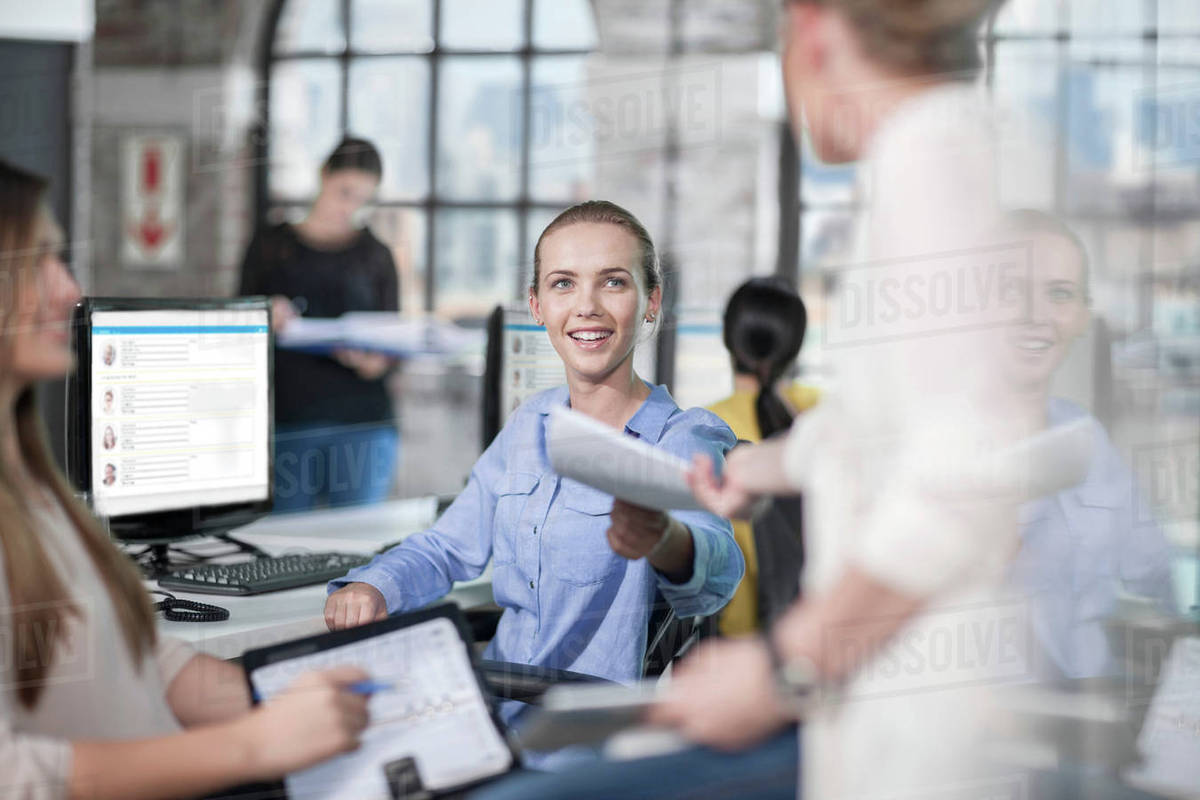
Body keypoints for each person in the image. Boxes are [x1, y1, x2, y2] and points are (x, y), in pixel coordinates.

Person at [470, 1, 1038, 798]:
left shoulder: (928, 165)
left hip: (913, 697)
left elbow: (957, 489)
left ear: (811, 27)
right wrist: (756, 472)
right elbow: (879, 427)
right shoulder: (947, 148)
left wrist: (780, 665)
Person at [0, 161, 375, 800]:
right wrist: (255, 744)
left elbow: (136, 661)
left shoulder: (38, 493)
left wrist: (277, 699)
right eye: (40, 262)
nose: (68, 289)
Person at [324, 200, 743, 730]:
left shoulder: (680, 439)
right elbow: (448, 545)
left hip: (576, 741)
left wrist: (664, 539)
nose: (586, 306)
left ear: (651, 302)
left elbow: (718, 568)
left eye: (613, 282)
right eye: (563, 283)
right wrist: (374, 585)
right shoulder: (531, 424)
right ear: (538, 304)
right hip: (491, 710)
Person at [996, 210, 1176, 680]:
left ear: (1081, 317)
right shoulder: (932, 444)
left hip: (1094, 726)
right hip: (987, 737)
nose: (1035, 316)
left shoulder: (1084, 436)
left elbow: (1154, 575)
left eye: (1059, 294)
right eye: (1012, 290)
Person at [239, 137, 400, 512]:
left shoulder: (376, 255)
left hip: (363, 423)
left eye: (363, 199)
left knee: (359, 545)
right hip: (288, 422)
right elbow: (236, 326)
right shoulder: (270, 246)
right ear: (323, 175)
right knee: (284, 545)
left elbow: (393, 343)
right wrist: (264, 312)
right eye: (345, 192)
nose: (351, 207)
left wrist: (375, 361)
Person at [706, 277, 818, 635]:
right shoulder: (823, 414)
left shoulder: (706, 427)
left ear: (728, 339)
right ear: (794, 348)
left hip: (741, 642)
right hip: (813, 630)